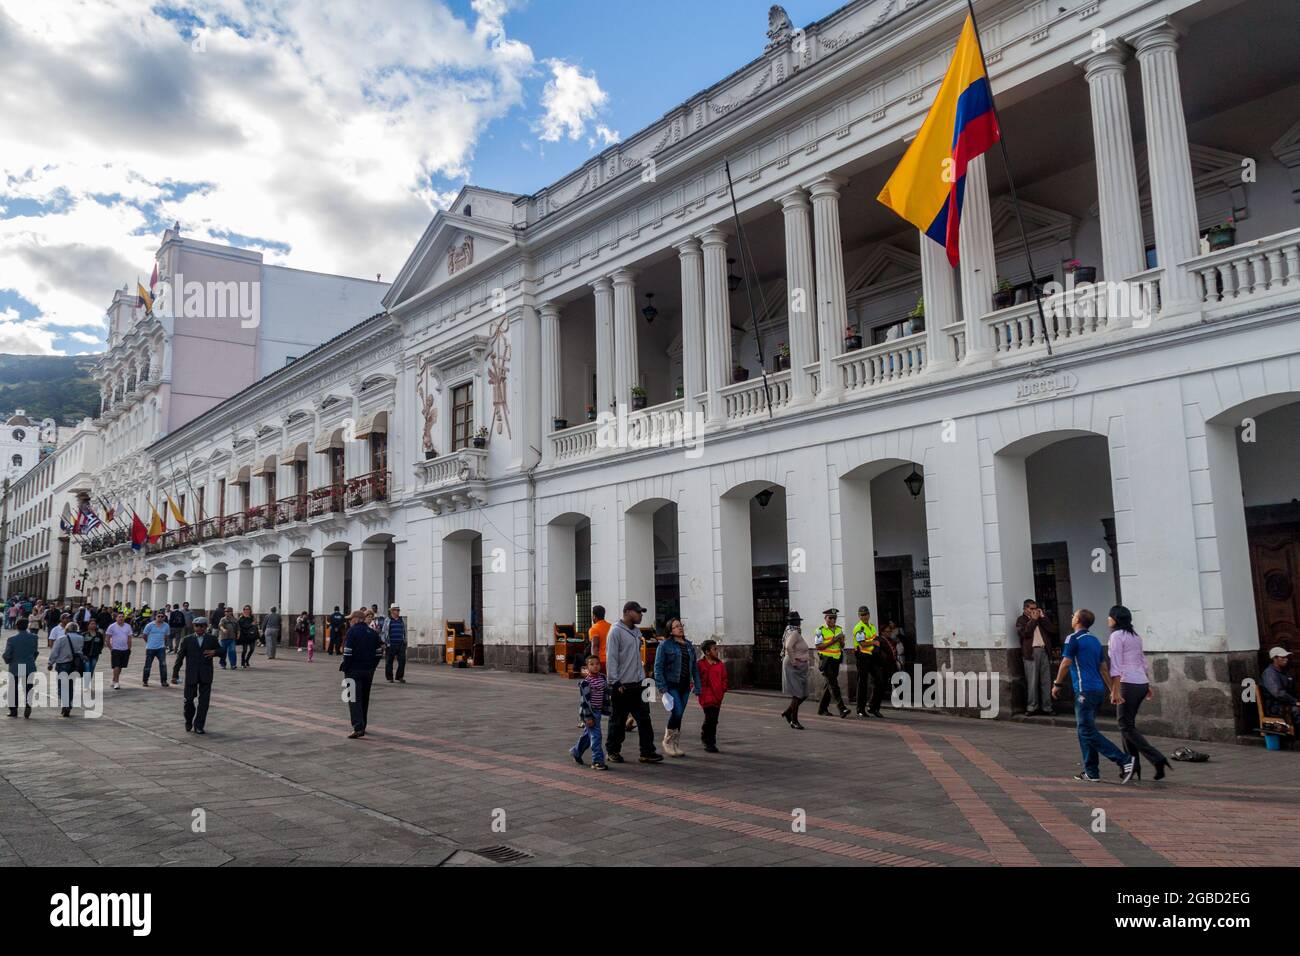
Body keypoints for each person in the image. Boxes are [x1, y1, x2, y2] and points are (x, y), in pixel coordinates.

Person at [1052, 608, 1135, 783]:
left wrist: (1057, 684)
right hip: (1097, 690)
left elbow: (1066, 663)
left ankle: (1124, 760)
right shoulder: (1095, 640)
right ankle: (1091, 772)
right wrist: (1112, 689)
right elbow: (1103, 668)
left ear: (1078, 621)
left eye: (1073, 615)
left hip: (1084, 690)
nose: (1072, 617)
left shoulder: (1073, 639)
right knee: (1085, 730)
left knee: (1086, 730)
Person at [1105, 605, 1169, 781]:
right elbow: (1142, 661)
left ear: (1115, 619)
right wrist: (1147, 684)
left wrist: (1115, 690)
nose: (1108, 619)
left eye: (1110, 616)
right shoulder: (1135, 636)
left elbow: (1116, 665)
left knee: (1125, 726)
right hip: (1140, 682)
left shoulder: (1116, 636)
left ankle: (1157, 758)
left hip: (1127, 683)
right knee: (1127, 725)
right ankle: (1133, 766)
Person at [604, 601, 662, 764]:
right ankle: (612, 750)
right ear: (628, 612)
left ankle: (647, 752)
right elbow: (612, 658)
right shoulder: (615, 632)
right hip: (622, 685)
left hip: (639, 682)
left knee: (644, 719)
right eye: (638, 612)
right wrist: (614, 682)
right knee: (618, 720)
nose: (641, 615)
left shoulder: (636, 632)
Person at [653, 617, 701, 758]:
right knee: (677, 711)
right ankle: (667, 741)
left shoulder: (688, 645)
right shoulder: (665, 645)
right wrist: (662, 687)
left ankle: (675, 744)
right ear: (671, 630)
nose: (680, 628)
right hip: (671, 685)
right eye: (676, 626)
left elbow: (694, 668)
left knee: (679, 715)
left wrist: (697, 685)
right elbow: (658, 667)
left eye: (681, 625)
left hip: (685, 685)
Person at [172, 616, 219, 734]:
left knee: (204, 703)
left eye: (202, 626)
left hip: (206, 675)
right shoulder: (187, 640)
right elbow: (180, 658)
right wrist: (175, 674)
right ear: (193, 626)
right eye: (197, 626)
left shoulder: (211, 639)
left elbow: (222, 651)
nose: (199, 628)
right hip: (191, 675)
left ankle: (199, 725)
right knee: (188, 701)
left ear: (206, 626)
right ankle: (188, 720)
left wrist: (215, 652)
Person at [340, 608, 382, 738]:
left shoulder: (352, 632)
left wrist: (345, 667)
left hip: (353, 670)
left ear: (356, 620)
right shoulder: (373, 633)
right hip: (368, 671)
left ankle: (358, 727)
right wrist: (372, 666)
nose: (349, 623)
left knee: (353, 699)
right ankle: (363, 725)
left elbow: (347, 652)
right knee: (364, 698)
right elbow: (379, 653)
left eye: (351, 620)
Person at [1016, 598, 1058, 716]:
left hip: (1044, 651)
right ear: (1025, 609)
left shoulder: (1041, 619)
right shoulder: (1021, 620)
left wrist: (1043, 617)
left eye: (1036, 608)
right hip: (1031, 653)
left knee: (1046, 680)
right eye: (1031, 609)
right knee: (1032, 681)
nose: (1034, 611)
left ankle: (1047, 707)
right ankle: (1032, 707)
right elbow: (1025, 633)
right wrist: (1033, 620)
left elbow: (1052, 629)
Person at [570, 656, 609, 770]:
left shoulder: (602, 678)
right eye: (592, 664)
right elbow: (584, 703)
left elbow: (606, 692)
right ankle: (597, 761)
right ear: (586, 668)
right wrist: (588, 717)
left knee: (588, 736)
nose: (595, 666)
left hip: (598, 711)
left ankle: (576, 752)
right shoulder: (586, 683)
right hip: (590, 713)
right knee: (596, 736)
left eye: (597, 664)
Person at [851, 605, 887, 718]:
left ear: (869, 615)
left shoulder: (871, 626)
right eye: (862, 615)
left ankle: (873, 707)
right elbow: (862, 643)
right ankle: (860, 709)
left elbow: (875, 638)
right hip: (862, 657)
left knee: (880, 681)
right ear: (859, 616)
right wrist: (873, 643)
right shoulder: (859, 628)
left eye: (866, 614)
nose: (864, 616)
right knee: (862, 683)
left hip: (872, 657)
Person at [814, 608, 850, 718]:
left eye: (834, 618)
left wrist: (841, 641)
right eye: (830, 617)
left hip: (836, 660)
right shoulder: (820, 630)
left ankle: (822, 709)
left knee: (829, 685)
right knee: (834, 685)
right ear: (825, 618)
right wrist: (834, 640)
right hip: (826, 660)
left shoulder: (839, 629)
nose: (832, 620)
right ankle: (842, 708)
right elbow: (818, 646)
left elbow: (842, 646)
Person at [47, 619, 85, 716]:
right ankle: (69, 703)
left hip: (63, 664)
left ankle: (65, 704)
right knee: (70, 685)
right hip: (74, 665)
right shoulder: (81, 638)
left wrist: (50, 663)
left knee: (62, 686)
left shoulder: (61, 639)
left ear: (67, 629)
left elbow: (55, 652)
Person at [697, 639, 728, 753]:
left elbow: (724, 678)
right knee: (711, 718)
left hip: (718, 696)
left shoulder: (720, 665)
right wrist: (697, 689)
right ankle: (710, 742)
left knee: (714, 720)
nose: (717, 651)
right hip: (706, 696)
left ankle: (706, 735)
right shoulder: (700, 664)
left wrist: (723, 688)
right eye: (714, 649)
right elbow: (695, 678)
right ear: (707, 652)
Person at [781, 611, 810, 729]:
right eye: (798, 621)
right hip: (794, 666)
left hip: (799, 665)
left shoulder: (793, 632)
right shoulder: (794, 633)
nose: (799, 623)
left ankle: (788, 712)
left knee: (803, 693)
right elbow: (788, 647)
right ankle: (794, 720)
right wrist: (794, 661)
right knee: (798, 694)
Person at [4, 619, 38, 718]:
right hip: (28, 665)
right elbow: (35, 652)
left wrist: (7, 660)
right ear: (27, 626)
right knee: (28, 687)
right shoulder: (34, 637)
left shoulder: (12, 639)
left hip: (15, 666)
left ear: (17, 626)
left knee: (13, 688)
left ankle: (13, 710)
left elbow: (7, 654)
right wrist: (32, 660)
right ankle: (28, 705)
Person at [1261, 646, 1298, 730]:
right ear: (1274, 658)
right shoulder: (1269, 673)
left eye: (1286, 657)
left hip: (1285, 704)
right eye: (1283, 657)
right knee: (1297, 710)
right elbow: (1278, 693)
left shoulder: (1284, 671)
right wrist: (1295, 702)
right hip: (1275, 707)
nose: (1286, 659)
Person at [141, 609, 171, 688]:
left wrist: (164, 644)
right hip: (150, 648)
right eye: (159, 616)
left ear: (164, 617)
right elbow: (144, 635)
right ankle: (145, 680)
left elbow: (167, 636)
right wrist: (149, 642)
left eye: (162, 616)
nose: (160, 618)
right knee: (148, 665)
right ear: (155, 617)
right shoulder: (150, 625)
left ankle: (164, 681)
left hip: (161, 648)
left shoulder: (166, 626)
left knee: (163, 665)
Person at [106, 611, 133, 690]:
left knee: (120, 666)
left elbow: (129, 639)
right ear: (116, 618)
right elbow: (107, 638)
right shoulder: (112, 626)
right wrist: (111, 648)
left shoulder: (128, 626)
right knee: (116, 665)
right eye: (119, 617)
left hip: (125, 649)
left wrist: (129, 649)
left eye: (122, 617)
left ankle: (114, 679)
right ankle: (117, 682)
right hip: (116, 649)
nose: (121, 618)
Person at [381, 604, 407, 683]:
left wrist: (405, 641)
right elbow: (384, 632)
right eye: (396, 610)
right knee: (389, 662)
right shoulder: (387, 620)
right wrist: (384, 643)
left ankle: (399, 677)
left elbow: (404, 631)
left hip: (401, 644)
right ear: (392, 611)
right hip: (391, 644)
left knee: (402, 661)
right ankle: (389, 677)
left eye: (398, 610)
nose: (398, 611)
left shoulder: (401, 620)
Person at [81, 619, 104, 688]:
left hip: (95, 655)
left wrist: (99, 650)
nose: (93, 625)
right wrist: (82, 654)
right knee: (87, 669)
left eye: (94, 624)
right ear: (88, 625)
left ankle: (88, 683)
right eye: (91, 624)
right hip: (86, 655)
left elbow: (101, 644)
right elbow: (81, 645)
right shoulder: (84, 634)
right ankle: (86, 685)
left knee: (91, 669)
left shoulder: (99, 634)